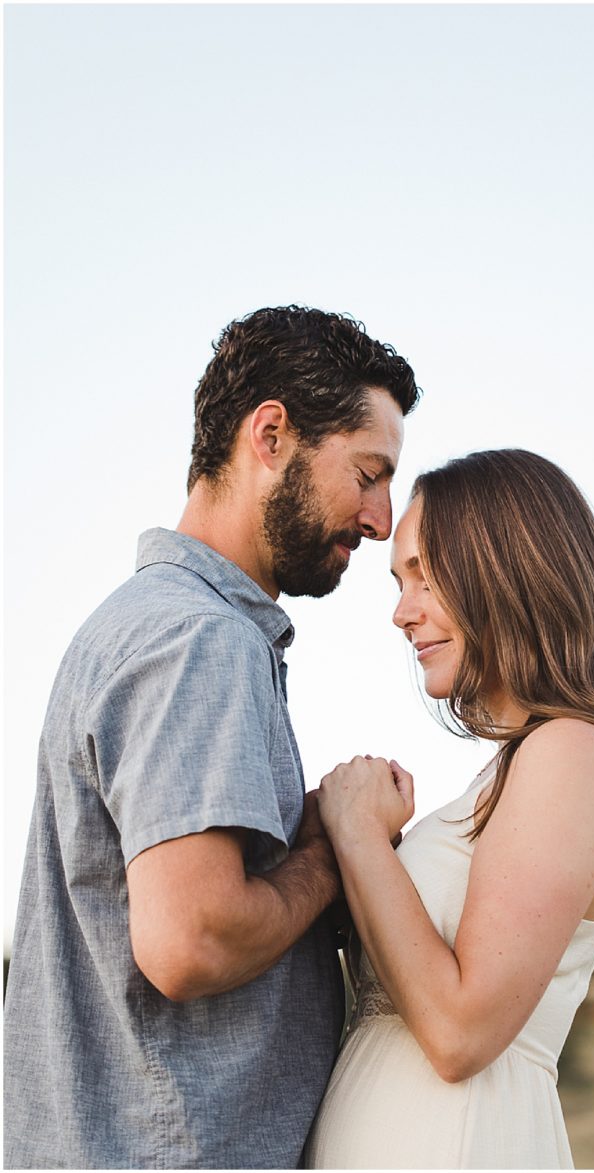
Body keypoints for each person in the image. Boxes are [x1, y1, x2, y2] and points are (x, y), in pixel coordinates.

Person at [3, 306, 420, 1168]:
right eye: (369, 473)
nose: (381, 519)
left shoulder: (144, 625)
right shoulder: (202, 639)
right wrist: (333, 851)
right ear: (270, 435)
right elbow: (192, 939)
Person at [302, 448, 594, 1169]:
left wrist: (359, 834)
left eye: (424, 577)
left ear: (506, 571)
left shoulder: (574, 751)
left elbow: (459, 1029)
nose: (402, 612)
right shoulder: (524, 763)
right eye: (399, 582)